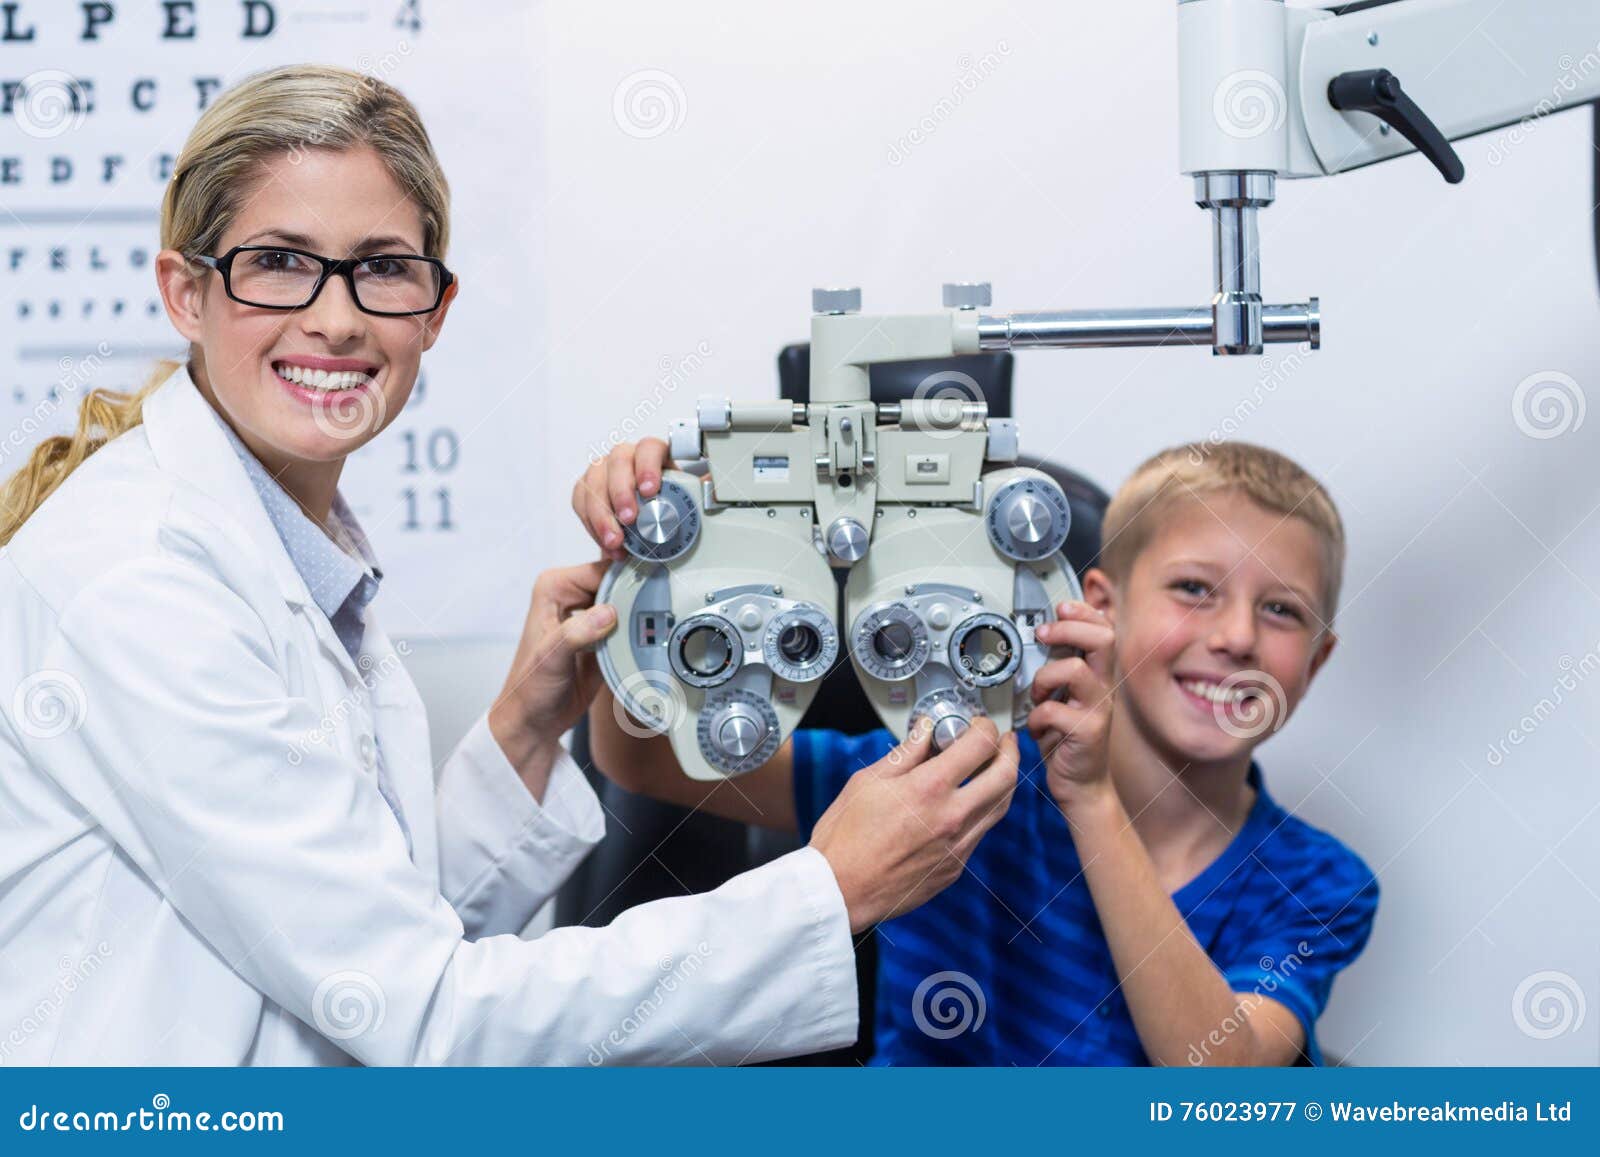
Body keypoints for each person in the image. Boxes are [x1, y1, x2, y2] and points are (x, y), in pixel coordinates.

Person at [0, 64, 1020, 1067]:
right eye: (279, 261)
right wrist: (828, 891)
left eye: (382, 266)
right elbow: (425, 1018)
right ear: (186, 290)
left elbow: (373, 938)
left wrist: (526, 728)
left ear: (435, 310)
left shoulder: (288, 549)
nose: (336, 317)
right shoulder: (142, 579)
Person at [577, 437, 1381, 1065]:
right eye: (1194, 589)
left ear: (1314, 661)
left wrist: (1092, 801)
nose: (1236, 635)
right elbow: (638, 763)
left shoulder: (1320, 882)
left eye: (1280, 610)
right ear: (1096, 604)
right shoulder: (956, 778)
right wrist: (649, 570)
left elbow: (1219, 1077)